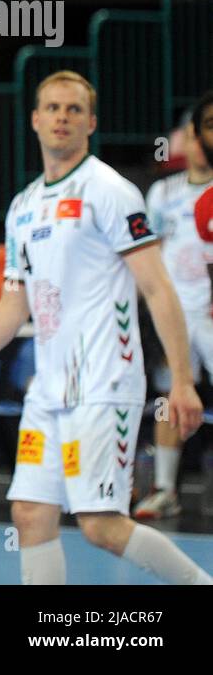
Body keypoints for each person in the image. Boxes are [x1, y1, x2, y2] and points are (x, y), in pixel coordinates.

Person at [0, 72, 211, 585]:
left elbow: (158, 289)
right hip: (48, 391)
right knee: (30, 514)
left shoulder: (111, 192)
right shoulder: (22, 207)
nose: (62, 117)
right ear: (34, 119)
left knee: (101, 526)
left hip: (103, 382)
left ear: (90, 123)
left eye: (74, 110)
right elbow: (14, 307)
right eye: (52, 108)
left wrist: (183, 381)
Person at [134, 94, 213, 519]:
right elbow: (148, 256)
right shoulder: (163, 192)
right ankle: (165, 489)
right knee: (170, 398)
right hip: (174, 317)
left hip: (211, 314)